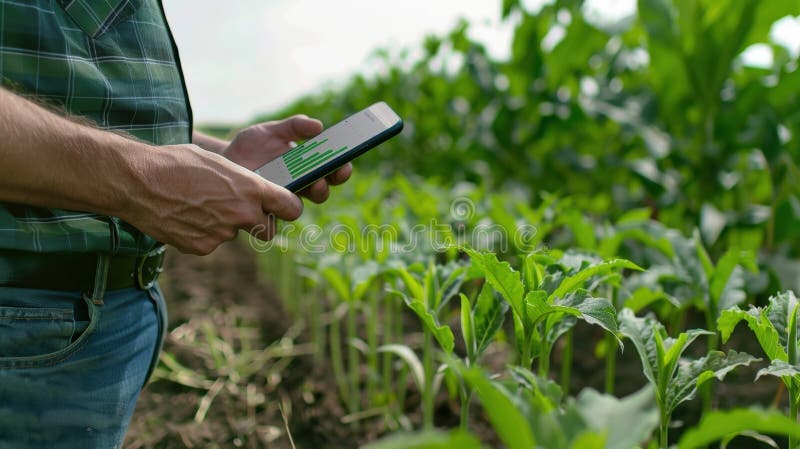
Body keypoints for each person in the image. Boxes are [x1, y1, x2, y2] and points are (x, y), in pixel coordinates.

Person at [0, 1, 351, 447]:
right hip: (25, 314)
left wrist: (219, 159)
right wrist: (143, 180)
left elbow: (75, 94)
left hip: (85, 321)